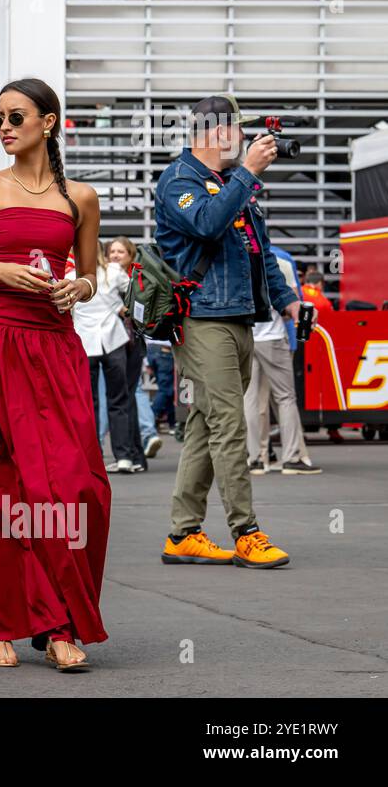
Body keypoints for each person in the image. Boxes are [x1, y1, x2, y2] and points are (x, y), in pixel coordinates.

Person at [0, 78, 109, 671]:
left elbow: (90, 276)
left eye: (16, 116)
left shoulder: (80, 197)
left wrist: (77, 286)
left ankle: (60, 621)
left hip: (57, 349)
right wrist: (0, 272)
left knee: (73, 486)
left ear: (49, 122)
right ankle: (2, 627)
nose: (5, 127)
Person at [155, 94, 299, 570]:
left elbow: (260, 249)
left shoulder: (230, 182)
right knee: (229, 426)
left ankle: (183, 533)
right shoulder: (180, 180)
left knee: (205, 424)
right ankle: (246, 532)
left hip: (238, 315)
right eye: (238, 130)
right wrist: (248, 174)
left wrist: (286, 299)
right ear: (218, 132)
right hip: (201, 318)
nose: (246, 139)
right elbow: (207, 223)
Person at [246, 245, 319, 475]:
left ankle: (255, 459)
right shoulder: (278, 260)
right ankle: (291, 457)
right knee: (286, 397)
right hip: (274, 337)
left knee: (250, 400)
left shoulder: (235, 259)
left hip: (247, 337)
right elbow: (288, 303)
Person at [71, 242, 143, 473]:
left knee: (88, 403)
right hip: (113, 341)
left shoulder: (72, 276)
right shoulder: (113, 271)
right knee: (119, 400)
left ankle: (93, 455)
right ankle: (124, 456)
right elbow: (132, 290)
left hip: (84, 343)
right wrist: (119, 306)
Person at [107, 236, 161, 460]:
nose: (115, 256)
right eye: (112, 252)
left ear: (130, 256)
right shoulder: (106, 276)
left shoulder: (134, 279)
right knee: (126, 395)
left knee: (126, 395)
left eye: (121, 252)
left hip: (128, 342)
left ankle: (138, 445)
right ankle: (137, 449)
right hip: (113, 342)